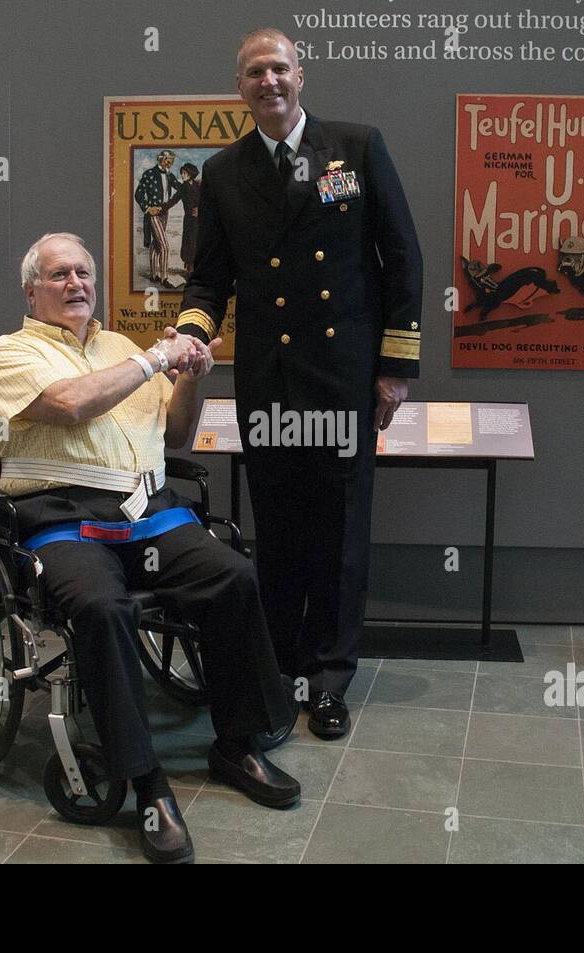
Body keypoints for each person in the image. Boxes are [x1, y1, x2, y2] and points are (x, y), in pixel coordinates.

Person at [0, 233, 299, 864]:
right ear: (31, 290)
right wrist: (158, 358)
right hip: (64, 519)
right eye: (59, 274)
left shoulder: (119, 347)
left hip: (146, 514)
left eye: (84, 273)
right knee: (102, 609)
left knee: (232, 575)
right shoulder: (10, 353)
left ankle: (236, 742)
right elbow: (69, 405)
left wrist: (191, 379)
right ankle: (146, 782)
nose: (76, 283)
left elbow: (177, 430)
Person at [178, 28, 423, 739]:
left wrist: (395, 367)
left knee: (342, 530)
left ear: (301, 75)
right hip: (271, 383)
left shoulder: (356, 147)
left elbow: (402, 258)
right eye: (255, 72)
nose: (269, 81)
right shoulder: (223, 173)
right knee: (277, 529)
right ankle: (280, 664)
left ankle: (330, 675)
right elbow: (207, 276)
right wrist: (194, 330)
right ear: (240, 87)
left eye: (279, 68)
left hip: (343, 379)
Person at [133, 150, 181, 287]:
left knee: (156, 244)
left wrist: (193, 184)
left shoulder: (169, 175)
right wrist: (148, 208)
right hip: (153, 214)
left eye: (171, 160)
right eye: (168, 160)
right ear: (161, 159)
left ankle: (154, 275)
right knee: (164, 246)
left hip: (164, 213)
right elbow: (138, 194)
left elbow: (180, 188)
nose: (170, 163)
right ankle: (164, 278)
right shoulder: (149, 174)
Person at [177, 162, 201, 277]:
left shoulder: (199, 185)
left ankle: (196, 268)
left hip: (200, 220)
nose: (182, 175)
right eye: (181, 173)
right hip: (189, 221)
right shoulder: (182, 187)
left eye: (184, 173)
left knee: (198, 243)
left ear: (191, 174)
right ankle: (189, 268)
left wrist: (200, 209)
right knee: (188, 243)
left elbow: (207, 200)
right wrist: (161, 208)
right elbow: (173, 200)